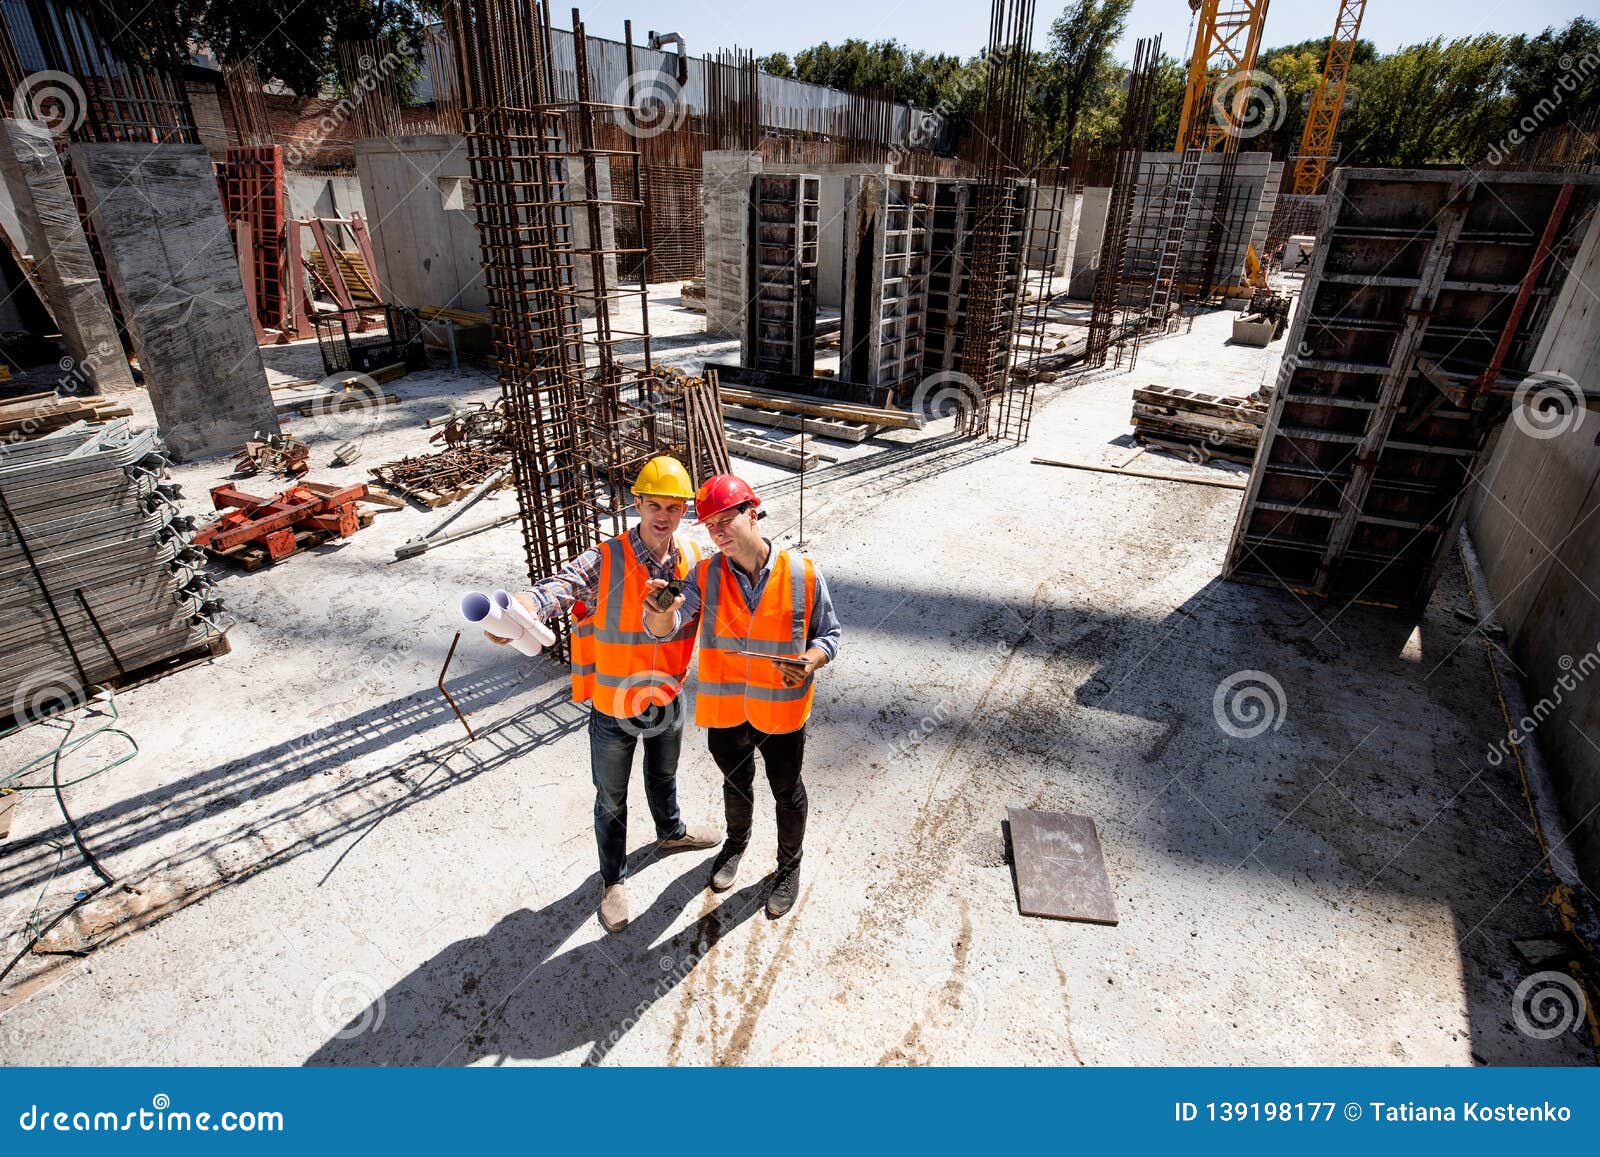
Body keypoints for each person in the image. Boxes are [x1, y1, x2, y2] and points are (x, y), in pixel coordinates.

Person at [487, 456, 720, 933]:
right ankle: (613, 879)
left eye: (672, 507)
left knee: (664, 774)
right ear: (636, 504)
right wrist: (521, 609)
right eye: (653, 505)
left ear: (684, 511)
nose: (662, 516)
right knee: (611, 797)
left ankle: (671, 831)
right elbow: (558, 587)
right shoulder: (605, 560)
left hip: (667, 696)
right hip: (614, 706)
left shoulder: (692, 558)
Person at [642, 473, 841, 919]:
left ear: (752, 512)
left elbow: (829, 636)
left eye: (725, 520)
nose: (717, 532)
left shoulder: (803, 574)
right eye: (710, 525)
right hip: (727, 711)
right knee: (735, 783)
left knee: (787, 792)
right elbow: (665, 623)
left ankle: (788, 866)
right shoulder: (703, 575)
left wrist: (810, 661)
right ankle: (736, 844)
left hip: (781, 713)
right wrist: (658, 610)